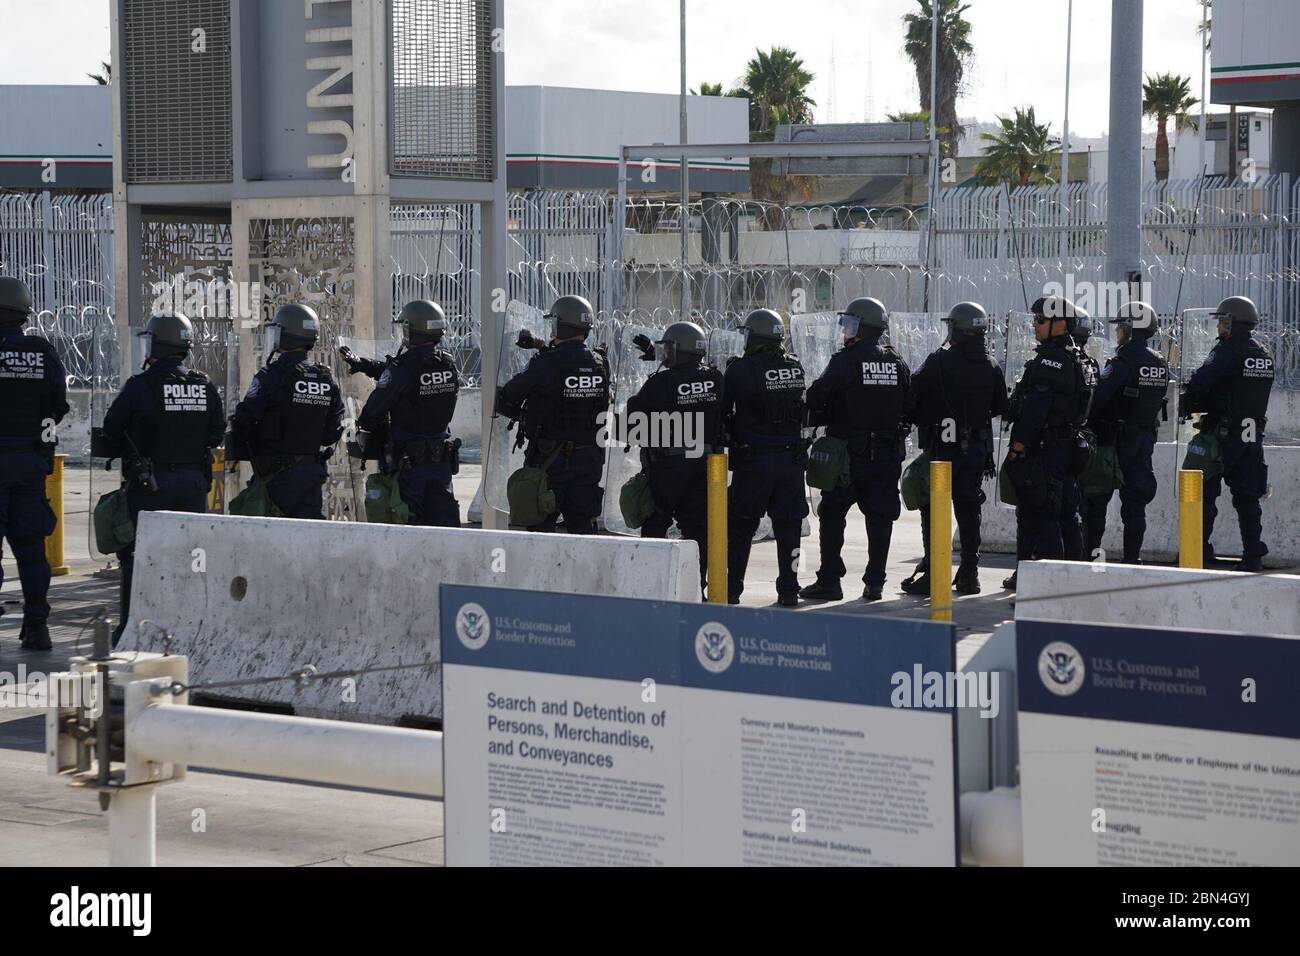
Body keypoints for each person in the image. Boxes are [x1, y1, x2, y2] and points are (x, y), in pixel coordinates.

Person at [101, 312, 224, 645]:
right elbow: (217, 433)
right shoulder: (203, 384)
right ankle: (187, 629)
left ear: (155, 344)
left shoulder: (140, 386)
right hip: (193, 484)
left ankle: (130, 629)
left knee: (138, 556)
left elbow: (112, 429)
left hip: (151, 484)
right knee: (189, 559)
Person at [800, 297, 913, 603]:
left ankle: (830, 581)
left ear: (863, 328)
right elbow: (909, 406)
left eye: (850, 325)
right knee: (880, 519)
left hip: (848, 458)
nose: (845, 331)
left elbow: (816, 396)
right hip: (886, 456)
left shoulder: (845, 361)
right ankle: (875, 582)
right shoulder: (897, 362)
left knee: (833, 513)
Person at [900, 302, 1008, 596]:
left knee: (934, 509)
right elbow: (1000, 406)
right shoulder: (991, 364)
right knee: (969, 511)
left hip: (941, 453)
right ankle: (970, 574)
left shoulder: (938, 360)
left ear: (957, 331)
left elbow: (912, 392)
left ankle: (935, 574)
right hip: (975, 453)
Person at [497, 295, 609, 534]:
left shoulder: (546, 363)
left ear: (560, 325)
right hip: (589, 458)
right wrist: (542, 346)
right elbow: (573, 358)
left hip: (551, 459)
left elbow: (510, 393)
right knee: (583, 526)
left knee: (541, 524)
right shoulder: (600, 362)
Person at [1002, 296, 1090, 591]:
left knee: (1039, 514)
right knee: (1066, 512)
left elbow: (1035, 410)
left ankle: (1043, 582)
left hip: (1045, 449)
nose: (1034, 326)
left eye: (1040, 320)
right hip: (1065, 448)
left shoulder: (1051, 360)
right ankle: (1070, 577)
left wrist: (1018, 446)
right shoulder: (1075, 356)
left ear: (1060, 323)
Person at [626, 322, 723, 588]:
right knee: (698, 528)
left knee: (656, 522)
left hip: (669, 464)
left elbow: (633, 423)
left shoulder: (661, 383)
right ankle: (695, 587)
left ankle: (650, 585)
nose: (665, 354)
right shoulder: (714, 378)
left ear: (681, 350)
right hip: (705, 463)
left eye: (669, 349)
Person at [0, 277, 69, 651]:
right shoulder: (42, 352)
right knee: (31, 551)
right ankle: (38, 626)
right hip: (29, 463)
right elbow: (58, 402)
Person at [722, 309, 808, 607]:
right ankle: (789, 589)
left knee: (741, 527)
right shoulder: (795, 367)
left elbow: (721, 412)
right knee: (789, 529)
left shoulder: (739, 370)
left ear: (753, 336)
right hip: (790, 462)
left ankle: (732, 589)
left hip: (754, 462)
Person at [1182, 295, 1274, 571]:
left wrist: (1192, 400)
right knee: (1247, 498)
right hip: (1251, 436)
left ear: (1234, 323)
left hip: (1220, 435)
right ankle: (1252, 555)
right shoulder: (1263, 355)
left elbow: (1201, 381)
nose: (1219, 328)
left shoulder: (1226, 350)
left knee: (1204, 493)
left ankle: (1198, 551)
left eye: (1223, 322)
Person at [351, 300, 461, 527]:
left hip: (408, 464)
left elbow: (373, 412)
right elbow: (405, 377)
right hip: (440, 461)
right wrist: (364, 365)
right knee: (444, 523)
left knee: (407, 522)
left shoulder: (403, 368)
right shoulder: (447, 365)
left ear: (414, 330)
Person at [229, 304, 344, 519]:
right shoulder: (326, 379)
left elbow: (243, 421)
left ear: (285, 336)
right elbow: (331, 433)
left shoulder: (271, 376)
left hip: (276, 477)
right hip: (311, 474)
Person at [1083, 301, 1168, 563]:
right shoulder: (1160, 363)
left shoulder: (1120, 363)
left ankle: (1092, 559)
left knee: (1096, 502)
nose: (1117, 332)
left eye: (1120, 327)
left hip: (1114, 442)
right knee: (1135, 505)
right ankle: (1133, 559)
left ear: (1130, 330)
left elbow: (1097, 400)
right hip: (1143, 441)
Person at [1059, 313, 1100, 560]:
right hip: (1083, 440)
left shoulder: (1064, 361)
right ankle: (1080, 558)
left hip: (1063, 441)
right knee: (1077, 503)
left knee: (1058, 507)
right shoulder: (1091, 364)